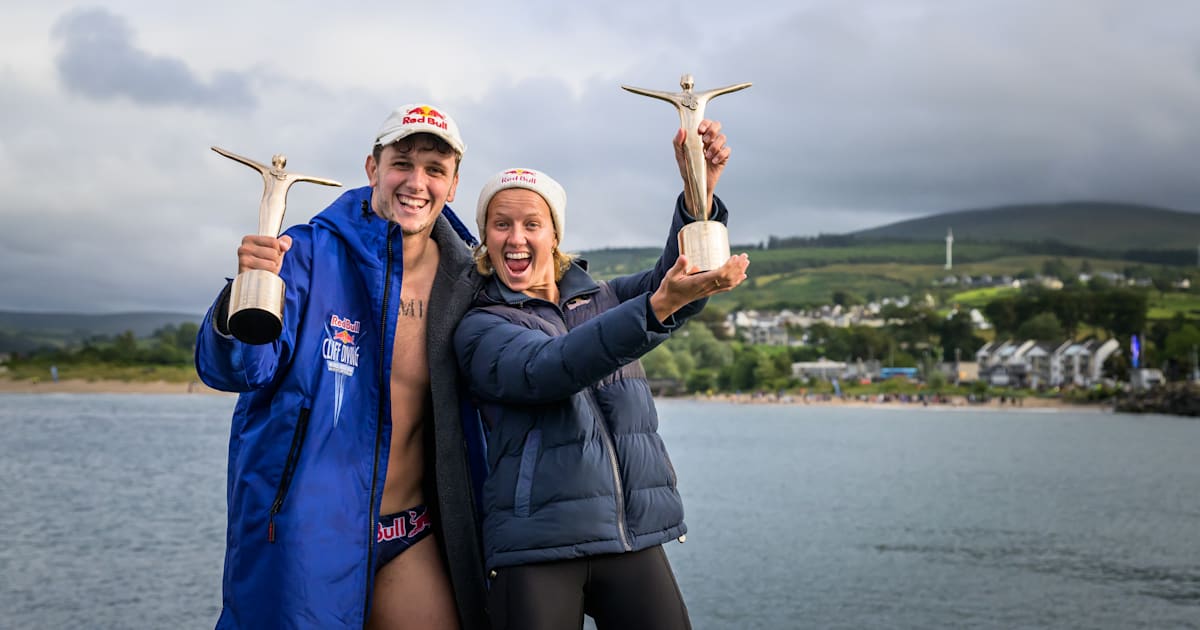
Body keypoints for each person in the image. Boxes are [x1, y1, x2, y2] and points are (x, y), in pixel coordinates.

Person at [195, 104, 488, 629]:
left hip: (411, 529)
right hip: (312, 530)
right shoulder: (305, 253)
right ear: (373, 168)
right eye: (403, 162)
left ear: (454, 184)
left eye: (435, 169)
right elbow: (237, 370)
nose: (416, 182)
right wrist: (243, 293)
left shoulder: (469, 279)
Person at [453, 119, 750, 630]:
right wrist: (657, 306)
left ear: (554, 233)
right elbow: (548, 367)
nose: (516, 238)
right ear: (484, 237)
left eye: (532, 224)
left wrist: (698, 189)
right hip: (534, 545)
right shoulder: (481, 325)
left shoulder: (603, 298)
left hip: (630, 536)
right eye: (501, 225)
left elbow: (679, 276)